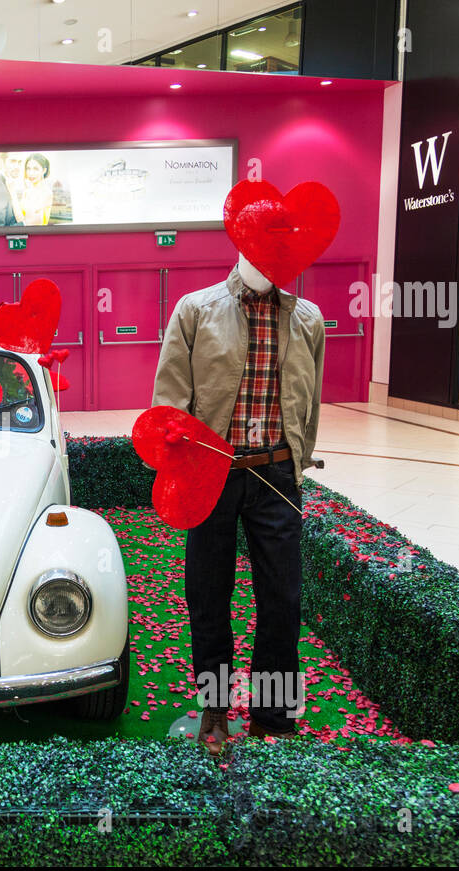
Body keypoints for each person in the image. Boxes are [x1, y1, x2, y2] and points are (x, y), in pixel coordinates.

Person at [152, 252, 325, 755]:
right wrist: (184, 472)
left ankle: (274, 719)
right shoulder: (195, 310)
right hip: (213, 474)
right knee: (208, 597)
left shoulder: (307, 318)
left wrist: (297, 462)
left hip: (276, 474)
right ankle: (215, 711)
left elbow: (309, 405)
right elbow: (170, 405)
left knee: (283, 602)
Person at [16, 153, 54, 226]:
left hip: (37, 235)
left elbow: (27, 222)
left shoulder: (46, 193)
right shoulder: (27, 191)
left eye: (36, 169)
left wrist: (12, 195)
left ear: (44, 170)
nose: (31, 173)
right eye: (28, 169)